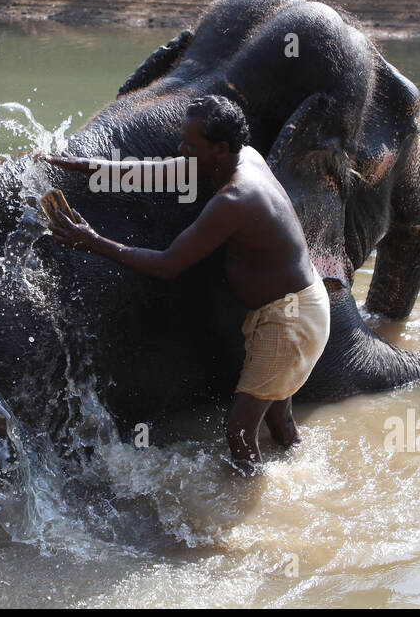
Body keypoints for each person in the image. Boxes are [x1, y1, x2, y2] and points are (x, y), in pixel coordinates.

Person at [39, 94, 330, 473]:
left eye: (190, 145)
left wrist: (92, 241)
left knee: (239, 431)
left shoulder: (235, 198)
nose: (181, 149)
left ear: (220, 149)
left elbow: (168, 264)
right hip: (298, 309)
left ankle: (253, 511)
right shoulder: (243, 158)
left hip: (290, 320)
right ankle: (305, 477)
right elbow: (161, 171)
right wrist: (84, 166)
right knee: (278, 419)